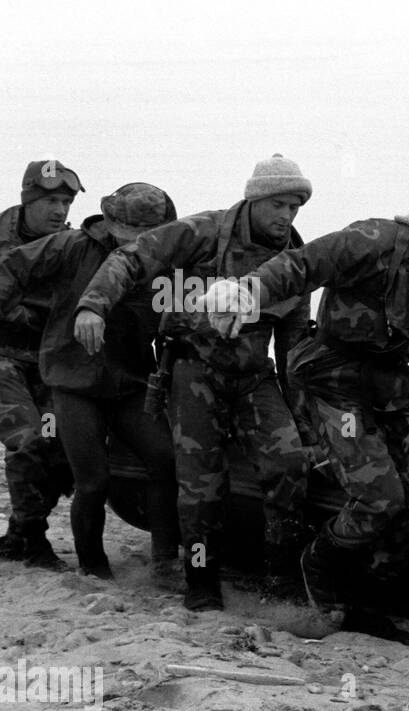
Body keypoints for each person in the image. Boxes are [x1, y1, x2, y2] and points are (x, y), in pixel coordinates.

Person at [208, 185, 409, 642]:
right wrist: (248, 289)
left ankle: (369, 602)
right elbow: (303, 264)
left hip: (389, 380)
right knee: (379, 496)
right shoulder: (374, 241)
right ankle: (320, 564)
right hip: (332, 372)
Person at [75, 155, 314, 610]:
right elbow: (131, 257)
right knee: (200, 486)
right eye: (278, 204)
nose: (287, 216)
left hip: (252, 377)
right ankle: (200, 580)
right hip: (193, 370)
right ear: (254, 199)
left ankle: (281, 576)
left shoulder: (293, 264)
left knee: (289, 465)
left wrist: (303, 419)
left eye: (295, 207)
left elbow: (294, 348)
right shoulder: (200, 233)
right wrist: (94, 305)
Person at [0, 183, 181, 581]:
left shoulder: (167, 259)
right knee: (93, 479)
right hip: (73, 381)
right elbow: (11, 268)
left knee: (165, 459)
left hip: (130, 382)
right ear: (113, 224)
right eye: (131, 234)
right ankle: (93, 569)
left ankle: (166, 563)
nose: (138, 244)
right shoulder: (70, 246)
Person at [0, 160, 84, 566]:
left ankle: (18, 533)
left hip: (48, 365)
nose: (60, 210)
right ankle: (34, 540)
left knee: (59, 444)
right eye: (51, 199)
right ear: (27, 199)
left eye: (66, 201)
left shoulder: (73, 247)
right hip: (3, 362)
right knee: (27, 438)